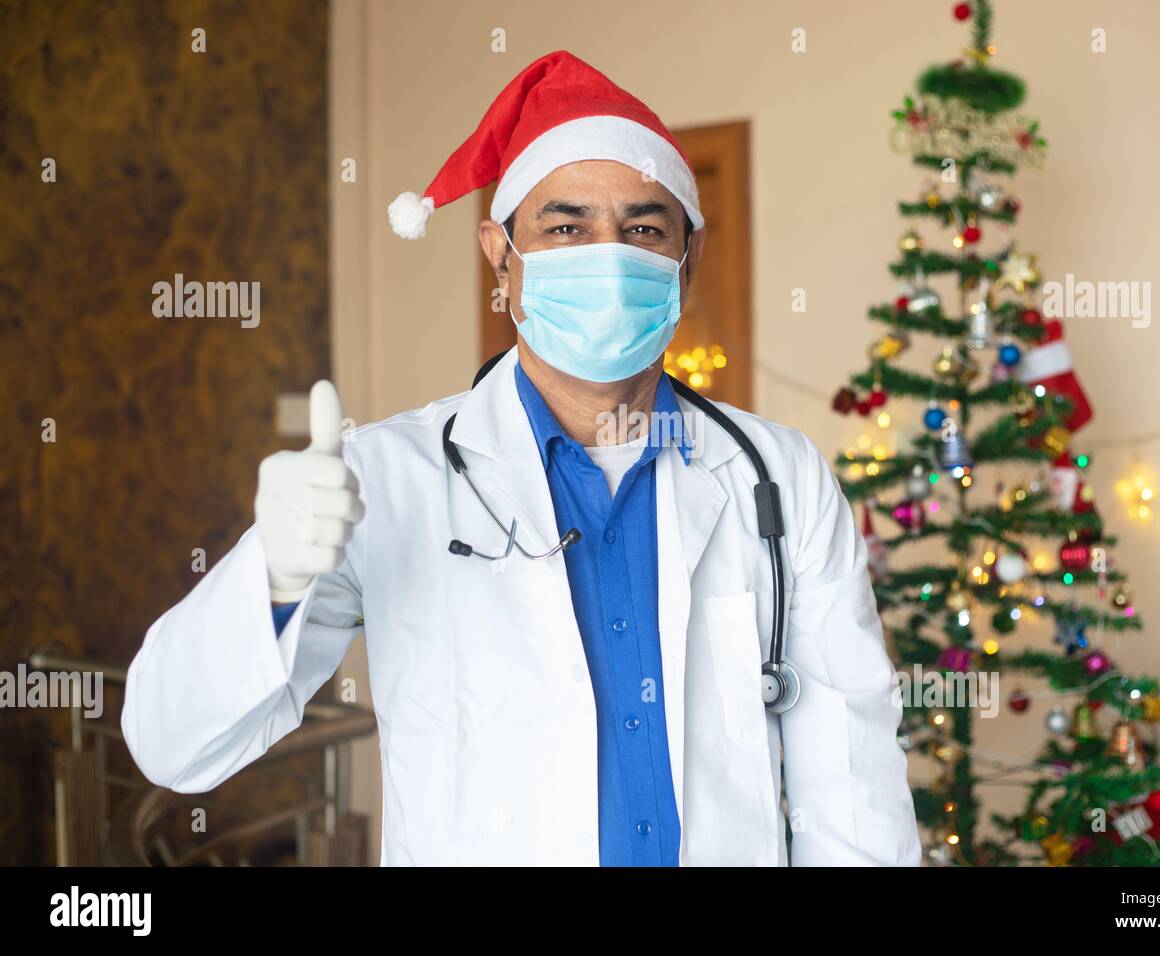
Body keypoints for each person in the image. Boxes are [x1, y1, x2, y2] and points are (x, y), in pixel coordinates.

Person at [122, 49, 920, 867]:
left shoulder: (777, 476)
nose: (608, 257)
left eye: (644, 228)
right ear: (501, 257)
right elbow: (172, 745)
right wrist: (274, 582)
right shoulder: (387, 479)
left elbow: (852, 784)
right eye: (564, 227)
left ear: (689, 257)